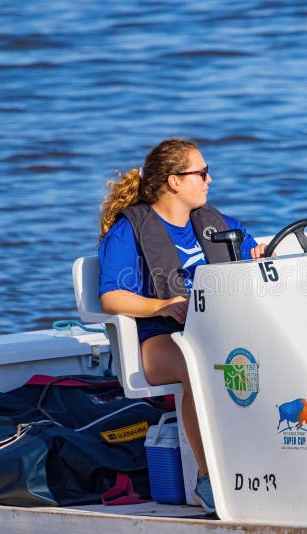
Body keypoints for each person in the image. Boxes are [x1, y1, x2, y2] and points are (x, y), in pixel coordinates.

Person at [97, 138, 266, 514]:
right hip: (156, 342)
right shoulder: (130, 232)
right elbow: (110, 298)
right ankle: (209, 480)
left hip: (215, 332)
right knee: (201, 363)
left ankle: (264, 464)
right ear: (174, 181)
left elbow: (252, 258)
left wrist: (258, 258)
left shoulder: (215, 223)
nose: (210, 179)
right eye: (201, 172)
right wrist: (164, 305)